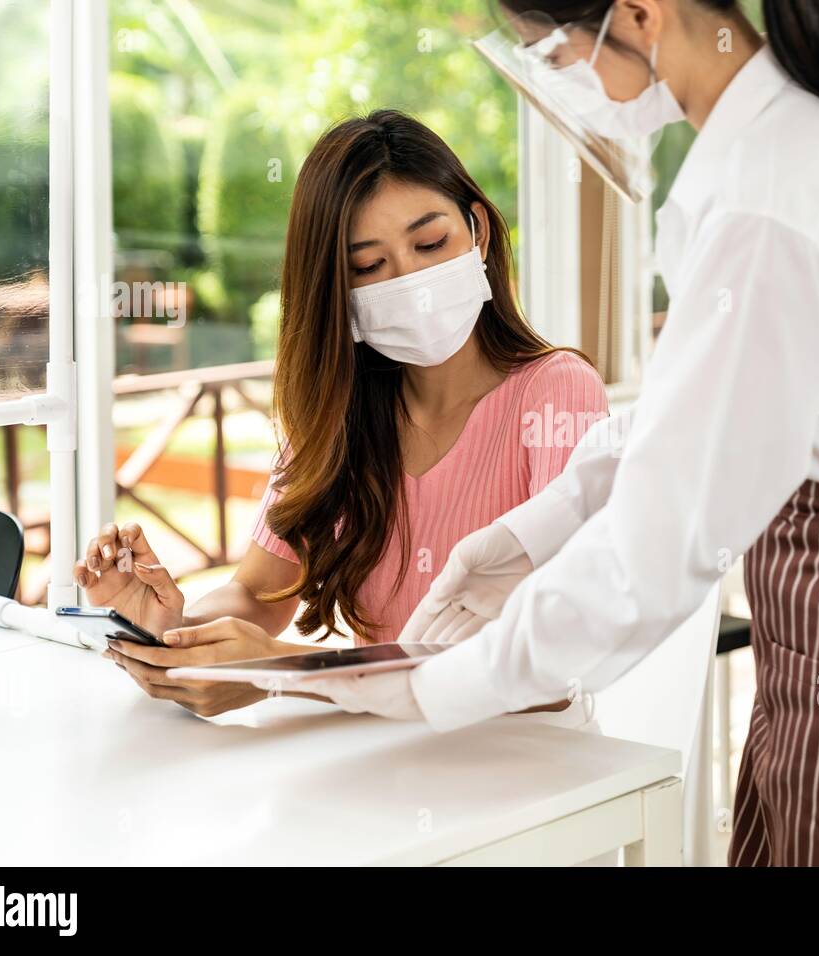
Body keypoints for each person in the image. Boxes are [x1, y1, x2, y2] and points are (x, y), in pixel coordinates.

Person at [299, 1, 819, 868]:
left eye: (549, 53)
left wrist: (440, 684)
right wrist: (530, 535)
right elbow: (694, 411)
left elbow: (661, 541)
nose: (558, 84)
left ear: (638, 13)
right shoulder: (769, 157)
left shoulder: (768, 203)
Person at [75, 110, 607, 719]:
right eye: (369, 266)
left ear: (478, 231)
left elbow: (549, 657)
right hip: (379, 762)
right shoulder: (344, 418)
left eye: (431, 243)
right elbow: (256, 593)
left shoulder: (556, 394)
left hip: (532, 772)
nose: (414, 281)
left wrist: (284, 672)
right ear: (339, 291)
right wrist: (173, 627)